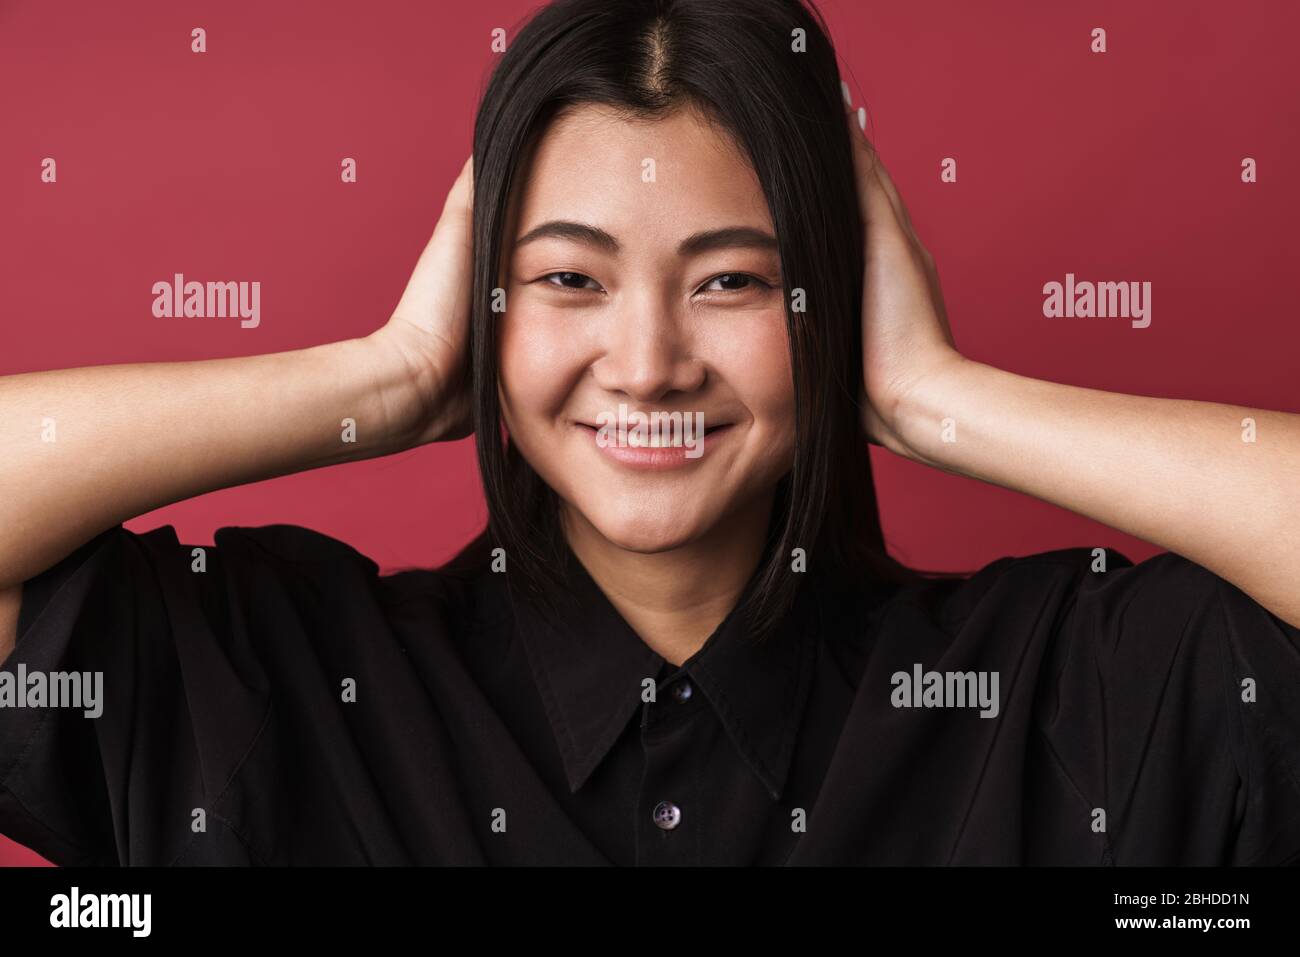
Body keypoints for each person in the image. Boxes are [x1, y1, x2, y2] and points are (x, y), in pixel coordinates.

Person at [1, 0, 1297, 866]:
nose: (650, 362)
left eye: (732, 279)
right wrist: (386, 375)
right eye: (571, 278)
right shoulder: (277, 684)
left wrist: (935, 399)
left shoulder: (1074, 699)